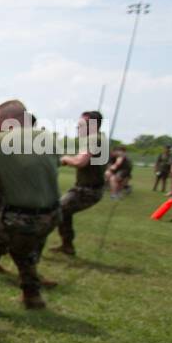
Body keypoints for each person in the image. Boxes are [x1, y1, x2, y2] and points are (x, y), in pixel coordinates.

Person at [0, 100, 62, 309]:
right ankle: (32, 296)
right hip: (53, 215)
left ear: (8, 121)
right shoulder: (47, 137)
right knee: (22, 248)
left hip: (22, 218)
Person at [53, 110, 106, 256]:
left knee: (56, 211)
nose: (78, 127)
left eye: (82, 124)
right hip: (86, 189)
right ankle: (67, 245)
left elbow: (80, 162)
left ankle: (33, 245)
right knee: (63, 212)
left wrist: (64, 158)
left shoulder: (94, 139)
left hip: (88, 190)